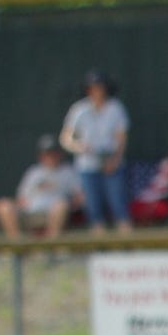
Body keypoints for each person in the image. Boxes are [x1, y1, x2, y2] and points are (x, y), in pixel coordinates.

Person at [61, 71, 131, 232]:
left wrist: (114, 160)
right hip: (87, 166)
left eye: (100, 87)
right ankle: (99, 248)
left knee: (119, 205)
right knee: (93, 209)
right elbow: (66, 137)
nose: (97, 91)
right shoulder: (79, 109)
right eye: (93, 87)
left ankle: (128, 248)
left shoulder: (115, 108)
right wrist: (80, 147)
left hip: (112, 164)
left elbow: (121, 138)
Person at [0, 136, 83, 241]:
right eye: (46, 154)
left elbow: (79, 198)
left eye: (52, 153)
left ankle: (51, 248)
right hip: (31, 213)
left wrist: (71, 204)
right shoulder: (33, 173)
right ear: (41, 156)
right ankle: (19, 248)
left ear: (59, 154)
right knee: (4, 206)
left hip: (53, 214)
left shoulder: (68, 172)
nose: (50, 157)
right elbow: (22, 200)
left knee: (61, 205)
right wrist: (0, 204)